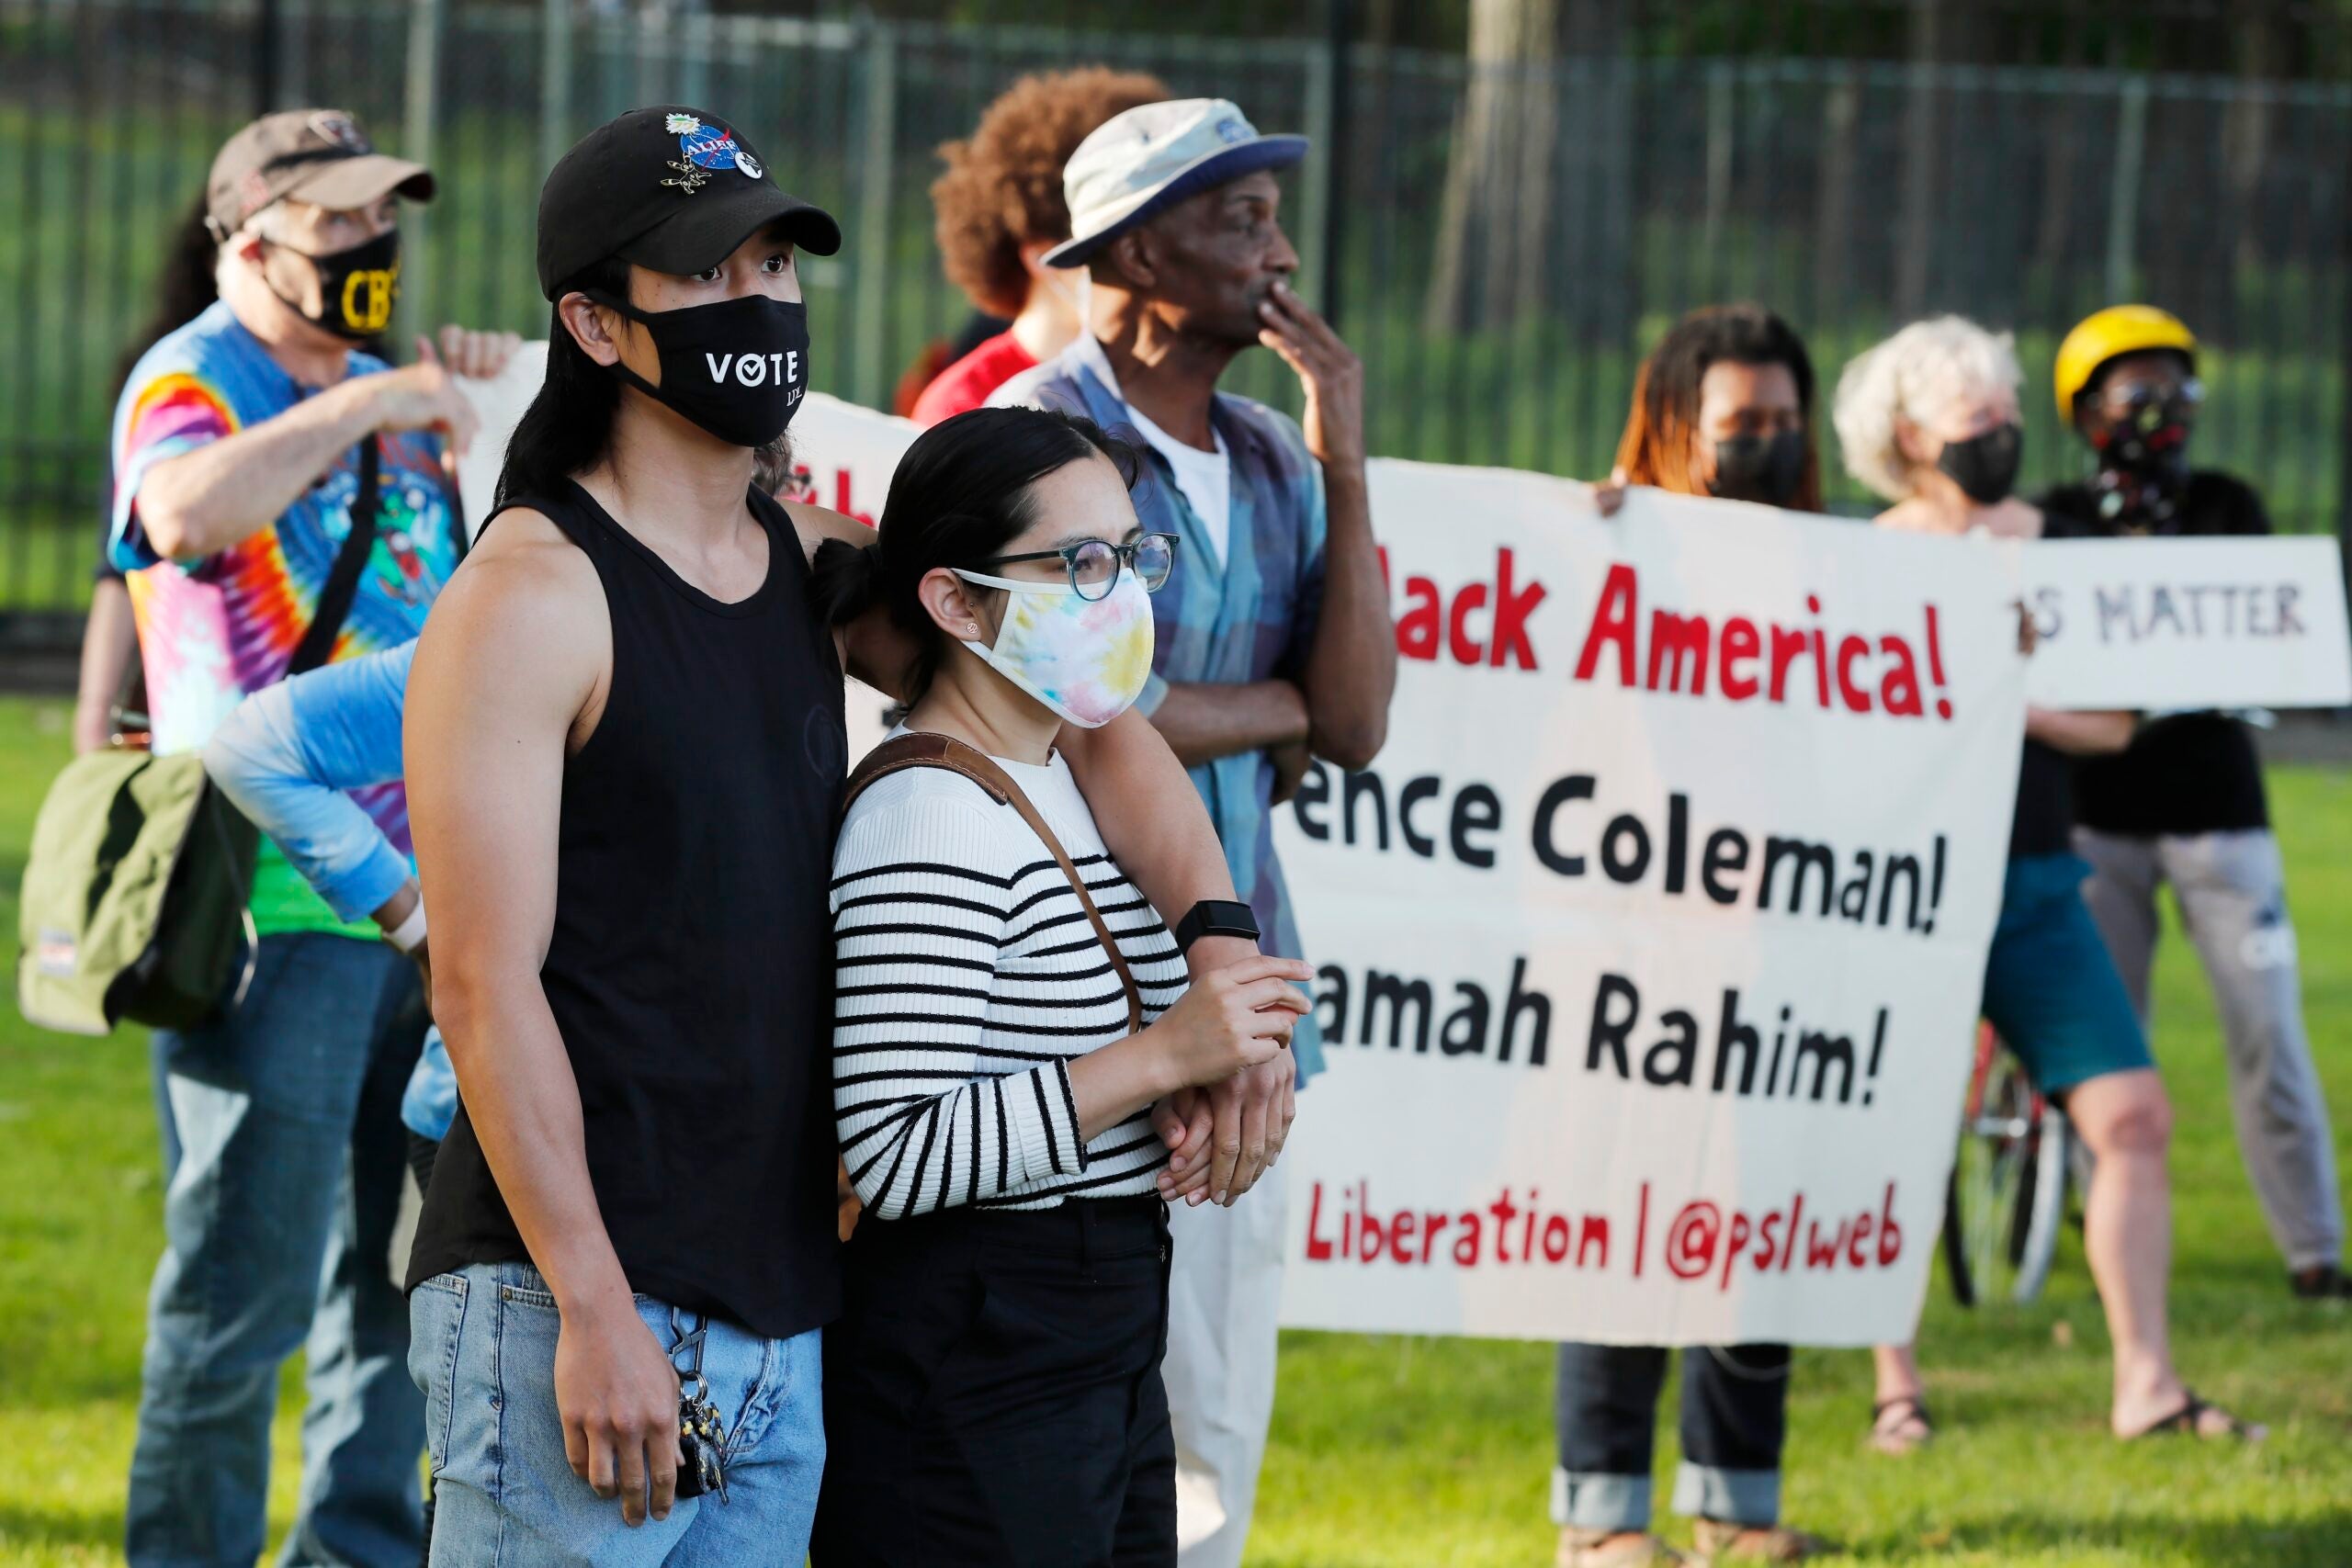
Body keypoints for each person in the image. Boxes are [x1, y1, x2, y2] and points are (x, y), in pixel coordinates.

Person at [401, 105, 1279, 1562]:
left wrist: (1220, 952)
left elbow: (1084, 699)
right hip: (565, 1298)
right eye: (706, 272)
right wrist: (594, 1305)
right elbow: (482, 988)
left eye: (773, 263)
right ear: (596, 324)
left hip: (783, 1306)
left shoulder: (806, 561)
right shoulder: (529, 596)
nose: (758, 301)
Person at [107, 107, 517, 1568]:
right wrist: (372, 399)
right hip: (271, 907)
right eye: (335, 219)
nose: (369, 243)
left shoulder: (391, 394)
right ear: (245, 236)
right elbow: (177, 513)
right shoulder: (194, 377)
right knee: (243, 1292)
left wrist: (482, 416)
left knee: (396, 1285)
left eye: (381, 216)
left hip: (422, 897)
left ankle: (352, 1549)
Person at [993, 95, 1396, 1568]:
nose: (1280, 253)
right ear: (1136, 253)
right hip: (1062, 1001)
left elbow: (1355, 720)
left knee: (1212, 1423)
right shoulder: (1030, 437)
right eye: (1243, 221)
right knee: (1046, 1409)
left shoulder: (1278, 457)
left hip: (1243, 1005)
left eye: (1273, 220)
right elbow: (1078, 693)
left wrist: (1345, 455)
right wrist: (1272, 700)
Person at [807, 406, 1313, 1563]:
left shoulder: (1063, 775)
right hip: (975, 1362)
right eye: (1080, 564)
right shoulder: (928, 815)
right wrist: (1164, 1056)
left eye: (1133, 556)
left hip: (1096, 1342)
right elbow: (892, 1152)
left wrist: (1186, 1083)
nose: (1121, 595)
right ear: (955, 602)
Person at [1838, 312, 2266, 1451]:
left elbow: (2112, 726)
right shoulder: (1866, 560)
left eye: (2008, 412)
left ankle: (2147, 1384)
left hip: (2034, 886)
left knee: (2132, 1116)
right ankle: (1896, 1388)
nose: (2000, 433)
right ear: (1911, 435)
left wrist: (2006, 696)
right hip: (1909, 893)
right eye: (1974, 416)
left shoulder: (2067, 548)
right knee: (1900, 1133)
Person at [1555, 304, 1826, 1568]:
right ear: (1675, 426)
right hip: (1639, 941)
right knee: (1631, 1209)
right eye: (1740, 423)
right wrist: (1586, 546)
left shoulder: (1845, 572)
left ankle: (1738, 1502)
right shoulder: (1606, 550)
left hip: (1789, 934)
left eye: (1784, 420)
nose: (1768, 443)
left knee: (1756, 1217)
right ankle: (1601, 1516)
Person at [2040, 305, 2347, 1301]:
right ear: (2087, 410)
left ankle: (2314, 1247)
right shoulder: (2059, 520)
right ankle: (2100, 1216)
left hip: (2220, 816)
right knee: (2099, 1041)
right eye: (2137, 390)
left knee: (2269, 1031)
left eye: (2175, 387)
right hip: (2098, 818)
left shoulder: (2226, 505)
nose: (2159, 409)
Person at [911, 66, 1169, 426]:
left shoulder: (1161, 394)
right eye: (1113, 239)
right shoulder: (965, 403)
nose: (1141, 263)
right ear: (1042, 256)